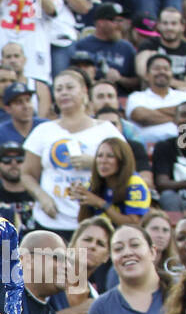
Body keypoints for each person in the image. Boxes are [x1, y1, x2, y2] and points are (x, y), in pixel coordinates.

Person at [22, 70, 124, 235]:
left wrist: (95, 163)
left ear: (84, 91)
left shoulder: (106, 130)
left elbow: (126, 167)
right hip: (51, 222)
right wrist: (41, 196)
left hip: (95, 222)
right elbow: (26, 174)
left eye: (69, 87)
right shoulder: (43, 131)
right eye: (59, 89)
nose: (64, 93)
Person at [72, 137, 151, 227]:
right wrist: (83, 199)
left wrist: (100, 203)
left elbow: (133, 224)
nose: (103, 161)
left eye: (110, 156)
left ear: (122, 160)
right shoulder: (93, 182)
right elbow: (83, 223)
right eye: (99, 156)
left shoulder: (135, 185)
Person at [125, 52, 186, 146]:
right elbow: (142, 117)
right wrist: (180, 117)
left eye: (166, 69)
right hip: (147, 147)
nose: (162, 72)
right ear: (147, 75)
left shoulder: (185, 96)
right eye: (157, 68)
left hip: (182, 146)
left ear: (171, 74)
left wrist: (154, 113)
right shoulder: (136, 97)